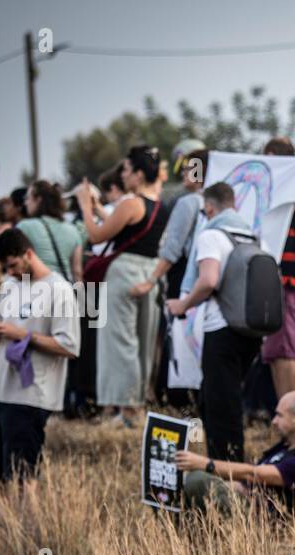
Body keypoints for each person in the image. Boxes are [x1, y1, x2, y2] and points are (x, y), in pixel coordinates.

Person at [76, 144, 170, 428]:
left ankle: (126, 410)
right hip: (148, 274)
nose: (123, 175)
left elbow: (94, 235)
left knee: (120, 344)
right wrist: (99, 210)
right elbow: (124, 226)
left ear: (139, 174)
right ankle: (137, 406)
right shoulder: (159, 206)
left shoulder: (131, 202)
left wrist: (84, 206)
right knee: (142, 344)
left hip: (124, 274)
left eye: (127, 170)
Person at [0, 228, 79, 481]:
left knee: (22, 475)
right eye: (5, 268)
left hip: (32, 396)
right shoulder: (9, 284)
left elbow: (69, 346)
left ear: (29, 254)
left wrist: (23, 336)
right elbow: (4, 325)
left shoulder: (59, 289)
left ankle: (27, 521)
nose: (10, 272)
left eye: (12, 265)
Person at [166, 182, 257, 462]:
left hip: (221, 328)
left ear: (208, 207)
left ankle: (226, 469)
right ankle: (228, 463)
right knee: (216, 398)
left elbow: (208, 280)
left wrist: (182, 304)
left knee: (221, 405)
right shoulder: (249, 235)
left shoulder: (211, 235)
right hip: (249, 329)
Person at [128, 147, 207, 408]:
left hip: (184, 277)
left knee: (178, 337)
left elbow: (172, 248)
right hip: (206, 276)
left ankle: (176, 396)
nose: (184, 172)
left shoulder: (188, 202)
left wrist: (151, 280)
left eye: (190, 167)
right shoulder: (215, 200)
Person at [174, 389, 295, 516]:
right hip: (245, 505)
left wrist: (205, 464)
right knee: (182, 481)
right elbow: (246, 484)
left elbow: (253, 474)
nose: (274, 421)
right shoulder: (284, 449)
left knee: (197, 480)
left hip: (258, 520)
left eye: (280, 415)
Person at [259, 136, 295, 405]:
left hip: (291, 282)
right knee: (275, 351)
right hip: (277, 283)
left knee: (285, 352)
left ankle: (292, 415)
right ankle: (285, 413)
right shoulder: (283, 193)